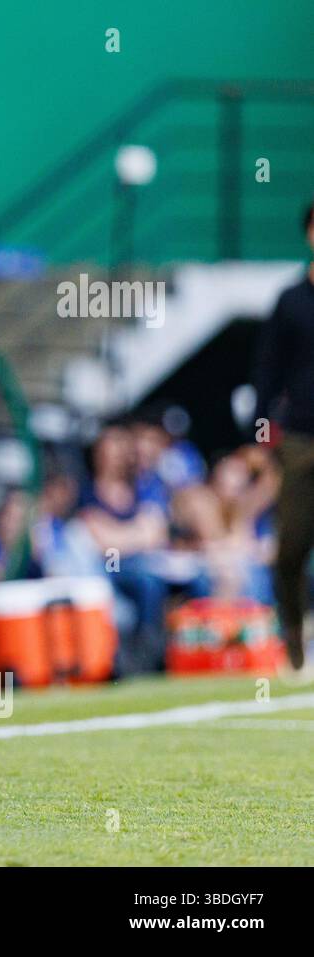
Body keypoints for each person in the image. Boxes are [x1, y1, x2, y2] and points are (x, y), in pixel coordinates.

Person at [253, 201, 314, 672]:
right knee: (290, 547)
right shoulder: (291, 301)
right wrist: (258, 428)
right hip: (299, 441)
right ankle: (294, 643)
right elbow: (268, 371)